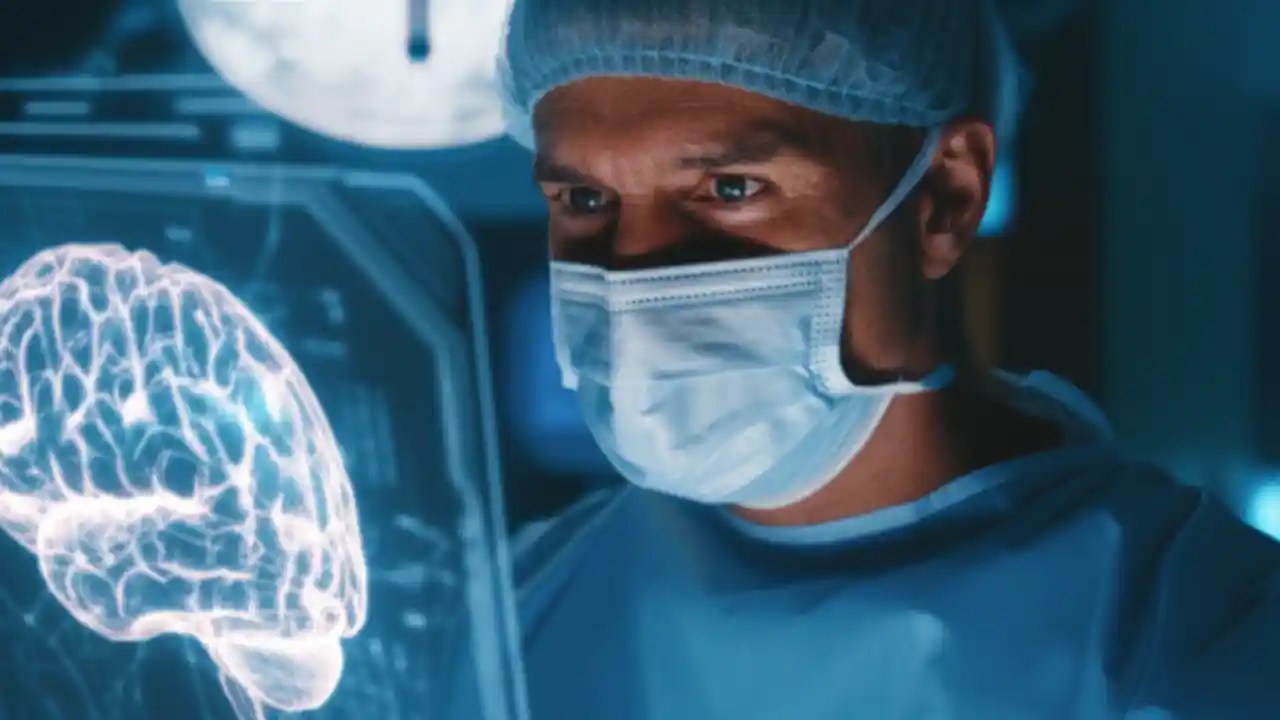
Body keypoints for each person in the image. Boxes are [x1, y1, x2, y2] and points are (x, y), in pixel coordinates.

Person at [492, 1, 1280, 717]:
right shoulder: (523, 600)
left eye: (730, 188)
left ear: (947, 199)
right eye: (584, 201)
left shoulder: (1188, 640)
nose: (635, 277)